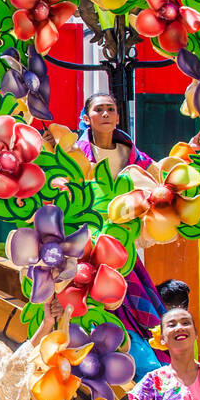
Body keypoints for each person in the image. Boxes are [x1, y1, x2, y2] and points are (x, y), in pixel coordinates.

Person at [73, 92, 164, 346]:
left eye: (110, 110)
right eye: (98, 109)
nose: (105, 114)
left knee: (134, 303)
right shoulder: (75, 155)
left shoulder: (133, 157)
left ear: (117, 117)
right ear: (87, 118)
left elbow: (161, 182)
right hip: (85, 246)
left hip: (121, 244)